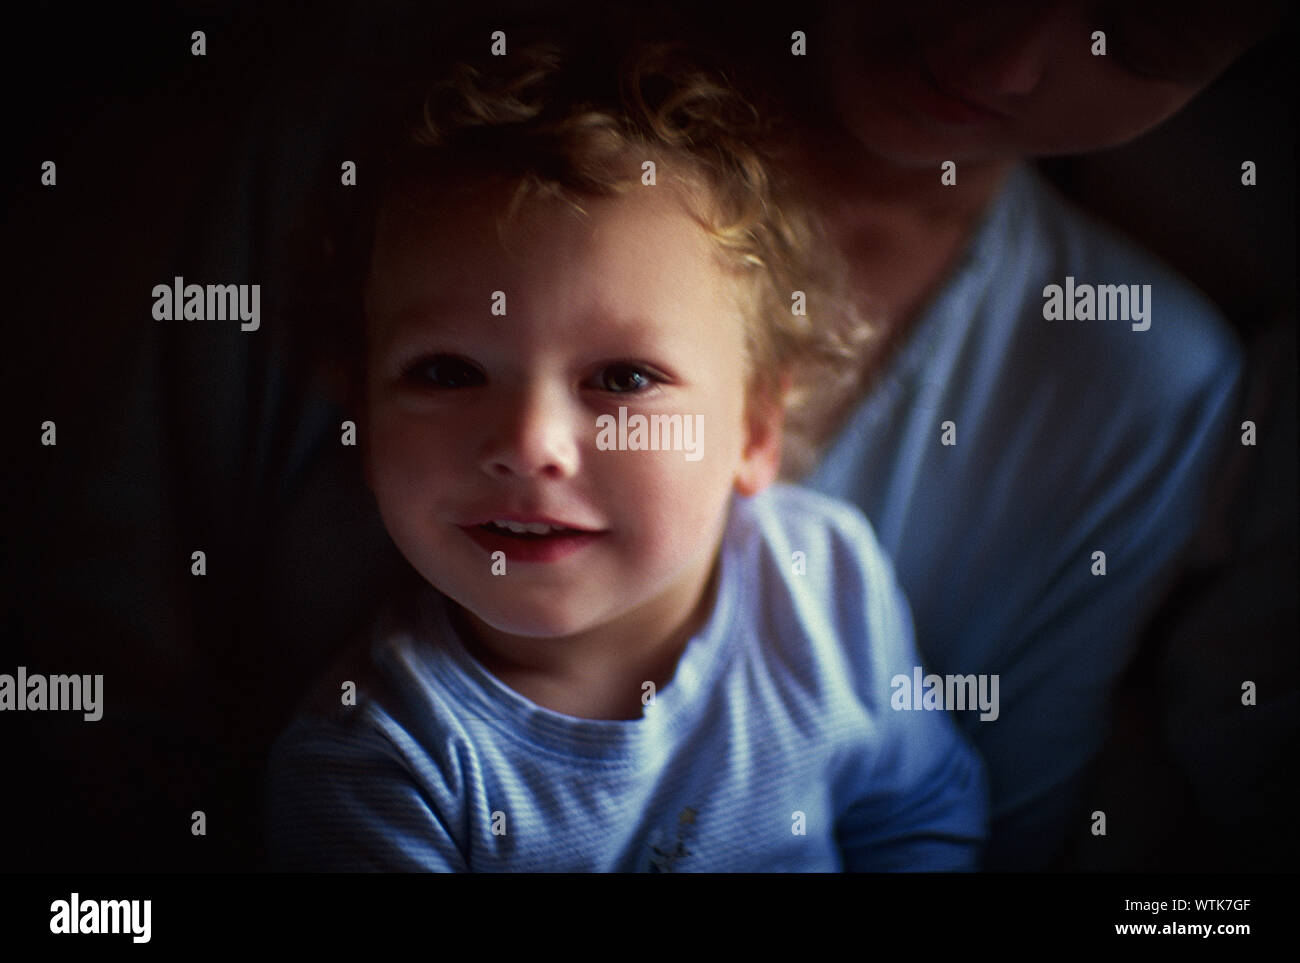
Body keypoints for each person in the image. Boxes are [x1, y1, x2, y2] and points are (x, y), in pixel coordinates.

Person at [266, 40, 987, 871]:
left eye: (623, 377)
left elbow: (918, 813)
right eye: (446, 371)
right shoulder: (379, 767)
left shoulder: (825, 588)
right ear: (362, 418)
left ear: (754, 430)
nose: (529, 443)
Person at [742, 0, 1284, 869]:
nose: (1003, 64)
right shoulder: (497, 132)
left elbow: (983, 831)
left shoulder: (1138, 382)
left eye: (1142, 41)